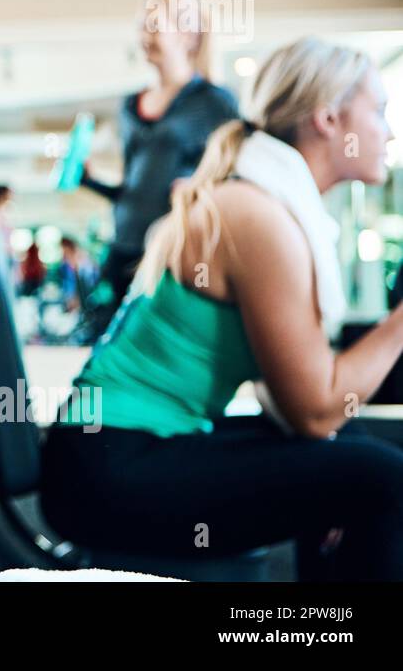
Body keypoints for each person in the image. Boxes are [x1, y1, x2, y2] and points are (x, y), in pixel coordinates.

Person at [40, 38, 403, 580]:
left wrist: (324, 472)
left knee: (349, 453)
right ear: (328, 119)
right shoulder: (258, 217)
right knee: (382, 476)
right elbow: (315, 407)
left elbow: (307, 407)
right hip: (108, 469)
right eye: (377, 111)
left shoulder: (256, 201)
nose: (389, 130)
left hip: (110, 454)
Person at [82, 0, 238, 320]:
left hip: (174, 249)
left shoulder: (215, 103)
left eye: (154, 26)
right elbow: (130, 190)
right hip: (123, 247)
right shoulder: (129, 106)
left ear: (188, 35)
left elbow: (233, 179)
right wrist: (89, 181)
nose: (144, 36)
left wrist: (197, 187)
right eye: (141, 26)